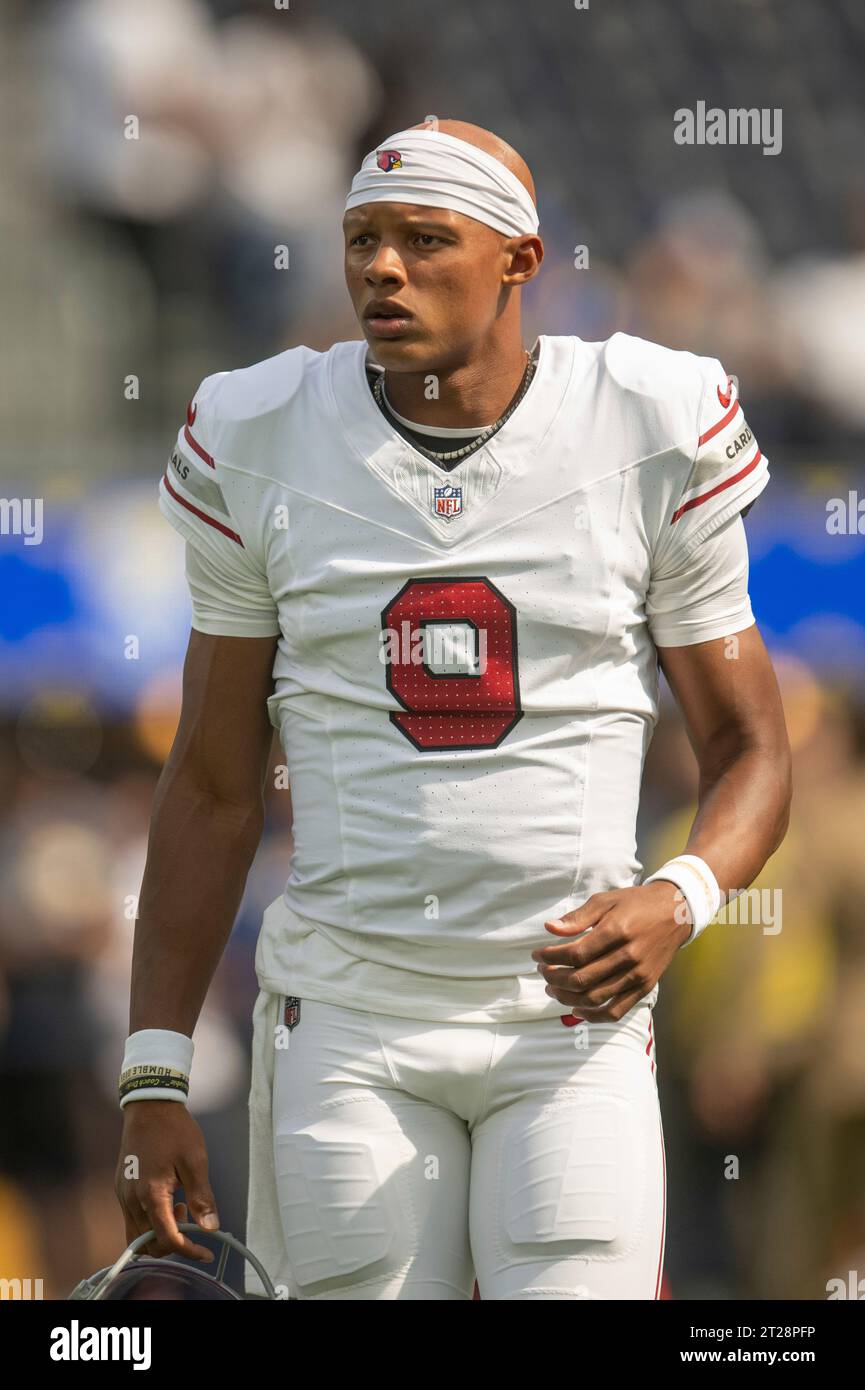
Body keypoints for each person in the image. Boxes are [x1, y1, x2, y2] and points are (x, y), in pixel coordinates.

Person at [115, 119, 792, 1300]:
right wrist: (155, 1071)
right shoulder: (261, 433)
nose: (382, 267)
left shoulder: (646, 417)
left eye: (426, 240)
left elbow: (750, 750)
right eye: (363, 240)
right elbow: (216, 785)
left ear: (519, 261)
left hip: (566, 1017)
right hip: (349, 1014)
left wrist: (676, 900)